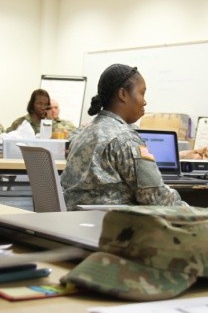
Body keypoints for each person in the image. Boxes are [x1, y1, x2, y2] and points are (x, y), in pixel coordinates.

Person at [60, 64, 185, 210]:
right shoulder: (125, 138)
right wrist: (193, 211)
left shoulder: (83, 133)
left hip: (76, 223)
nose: (144, 101)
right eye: (142, 93)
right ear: (123, 94)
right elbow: (155, 197)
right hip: (113, 226)